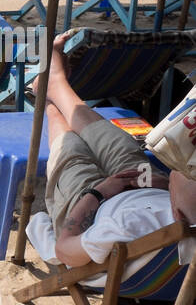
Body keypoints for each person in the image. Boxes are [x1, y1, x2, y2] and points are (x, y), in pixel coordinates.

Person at [37, 30, 196, 269]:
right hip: (142, 186)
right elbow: (181, 192)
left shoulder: (127, 226)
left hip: (95, 206)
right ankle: (57, 87)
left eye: (179, 172)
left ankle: (50, 100)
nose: (175, 172)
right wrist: (161, 183)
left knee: (70, 153)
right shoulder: (182, 210)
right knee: (115, 141)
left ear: (178, 213)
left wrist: (99, 193)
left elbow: (64, 249)